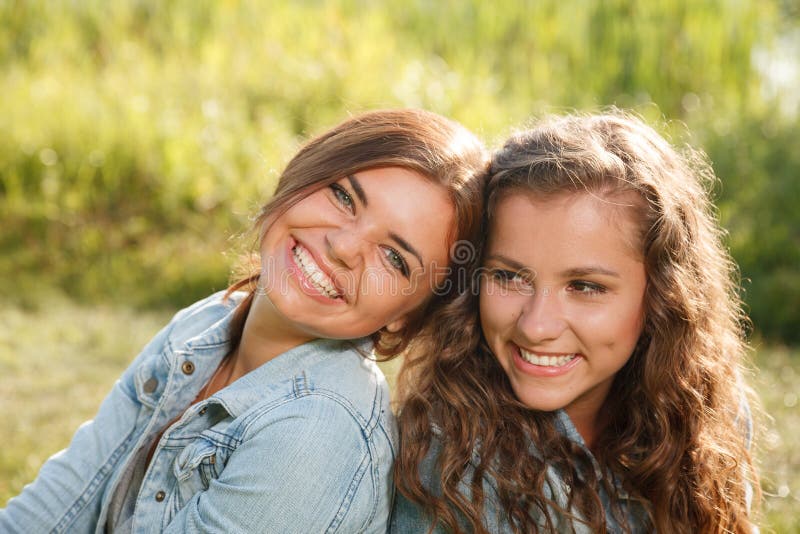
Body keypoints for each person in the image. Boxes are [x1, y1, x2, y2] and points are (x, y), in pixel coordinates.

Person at [0, 109, 488, 533]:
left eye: (394, 257)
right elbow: (62, 502)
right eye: (343, 196)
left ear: (405, 319)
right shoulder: (207, 323)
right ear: (303, 174)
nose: (342, 246)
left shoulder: (317, 434)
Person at [391, 111, 760, 533]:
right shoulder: (455, 461)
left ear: (663, 296)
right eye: (509, 276)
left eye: (584, 286)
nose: (535, 326)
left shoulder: (704, 413)